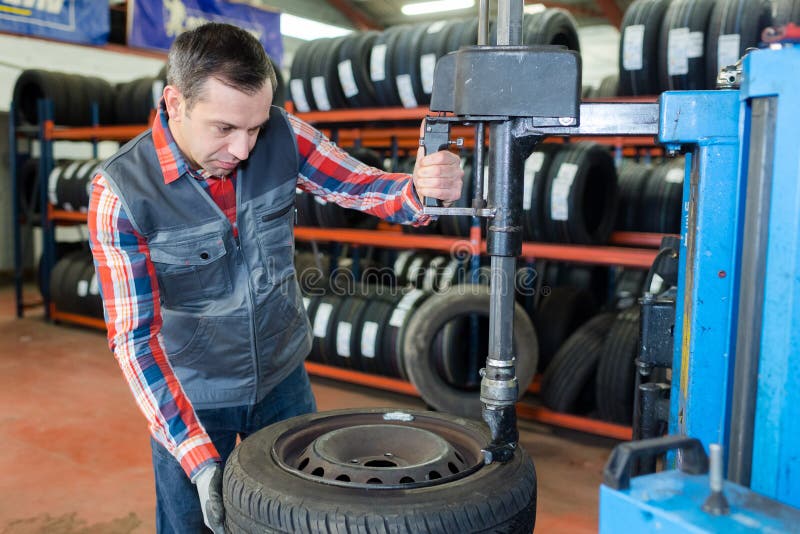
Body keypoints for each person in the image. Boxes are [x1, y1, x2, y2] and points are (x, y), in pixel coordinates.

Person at [87, 22, 463, 534]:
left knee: (297, 524)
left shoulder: (283, 134)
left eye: (255, 127)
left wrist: (421, 189)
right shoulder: (122, 194)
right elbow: (135, 342)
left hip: (283, 382)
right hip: (194, 402)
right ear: (175, 103)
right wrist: (197, 460)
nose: (244, 149)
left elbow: (364, 186)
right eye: (224, 128)